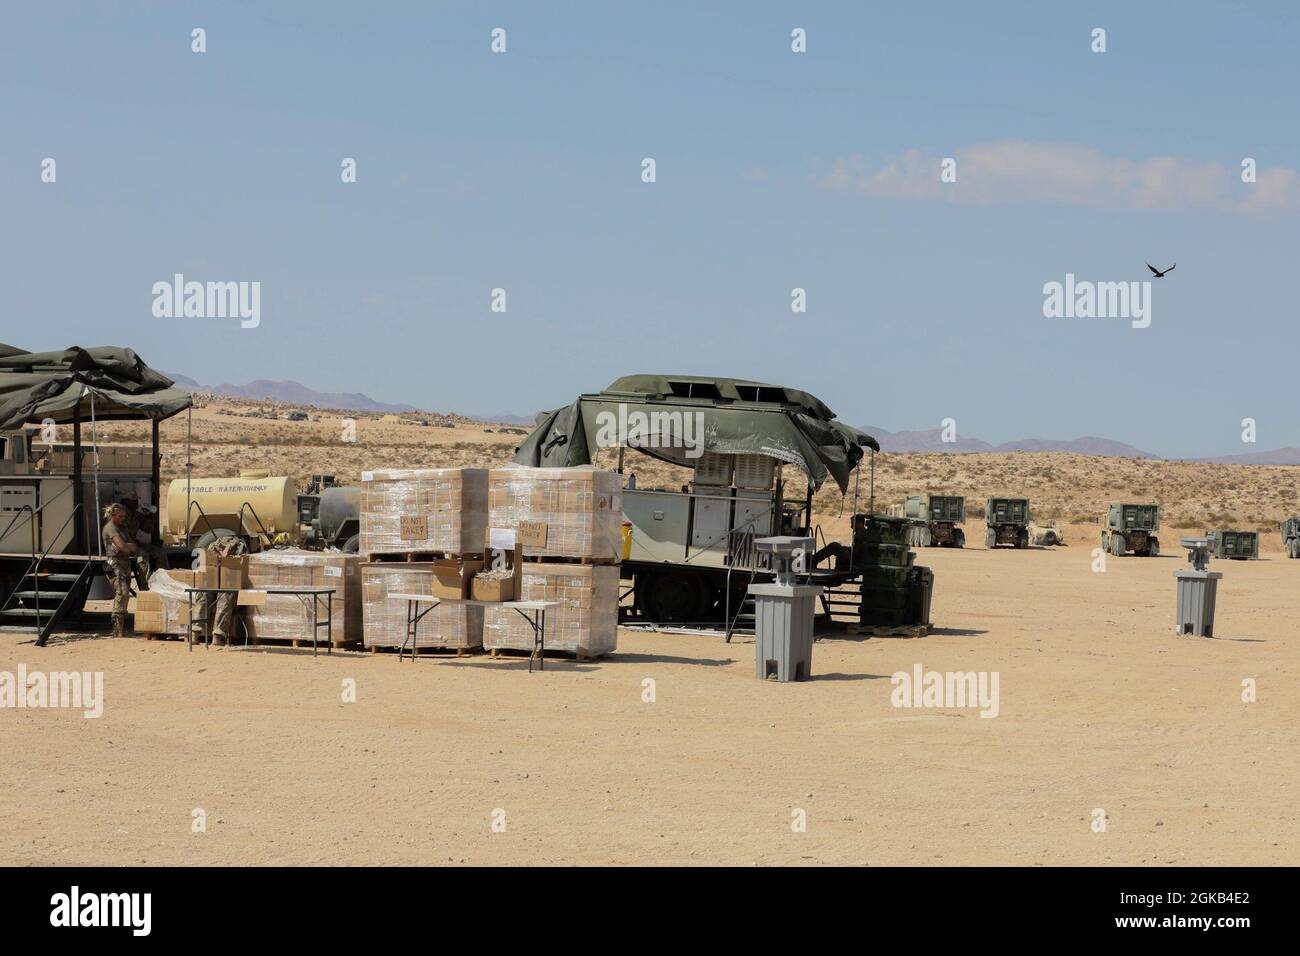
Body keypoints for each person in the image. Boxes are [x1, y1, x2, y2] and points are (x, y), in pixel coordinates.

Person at [102, 503, 136, 638]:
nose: (123, 518)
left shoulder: (120, 528)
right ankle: (117, 629)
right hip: (115, 563)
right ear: (113, 515)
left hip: (124, 563)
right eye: (120, 516)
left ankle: (120, 628)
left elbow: (132, 544)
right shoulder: (110, 528)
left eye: (124, 516)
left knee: (125, 593)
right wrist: (128, 546)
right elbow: (123, 546)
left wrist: (129, 546)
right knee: (122, 592)